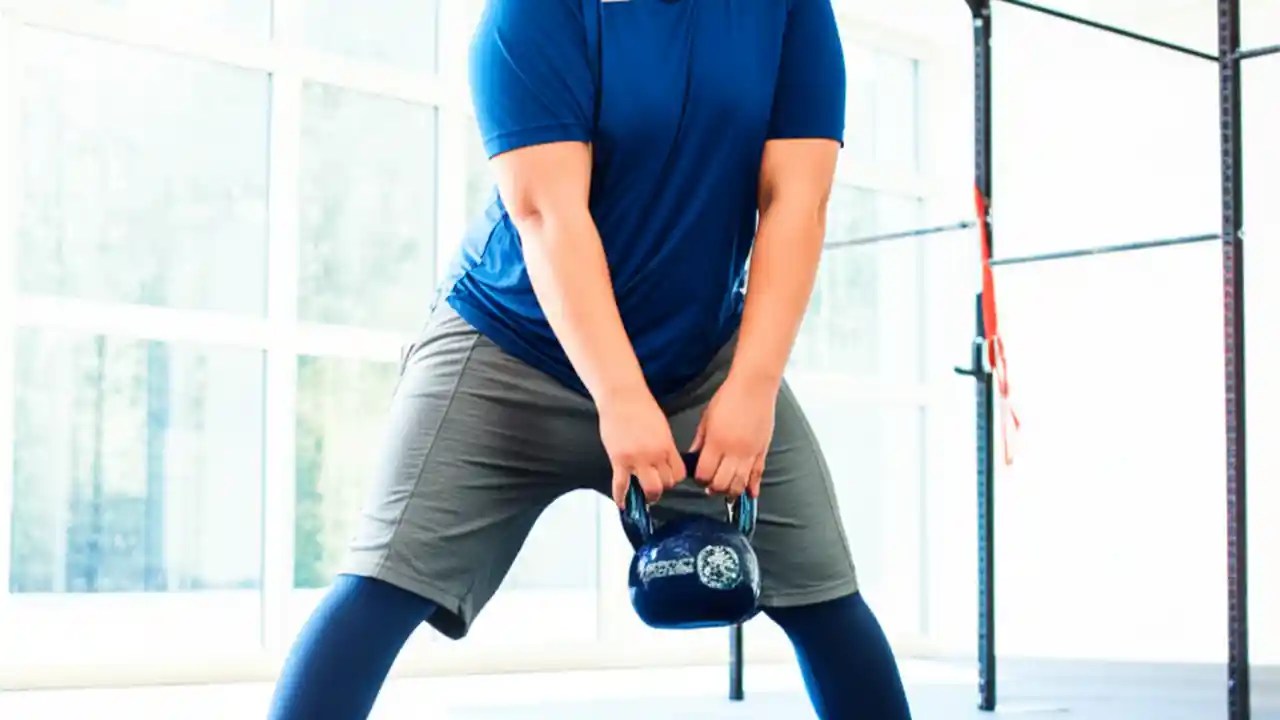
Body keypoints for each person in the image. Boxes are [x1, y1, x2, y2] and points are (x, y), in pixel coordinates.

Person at [268, 0, 913, 718]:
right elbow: (547, 214)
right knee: (381, 587)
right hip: (507, 351)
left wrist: (752, 387)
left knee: (826, 600)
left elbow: (797, 197)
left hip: (701, 364)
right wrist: (620, 397)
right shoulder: (530, 13)